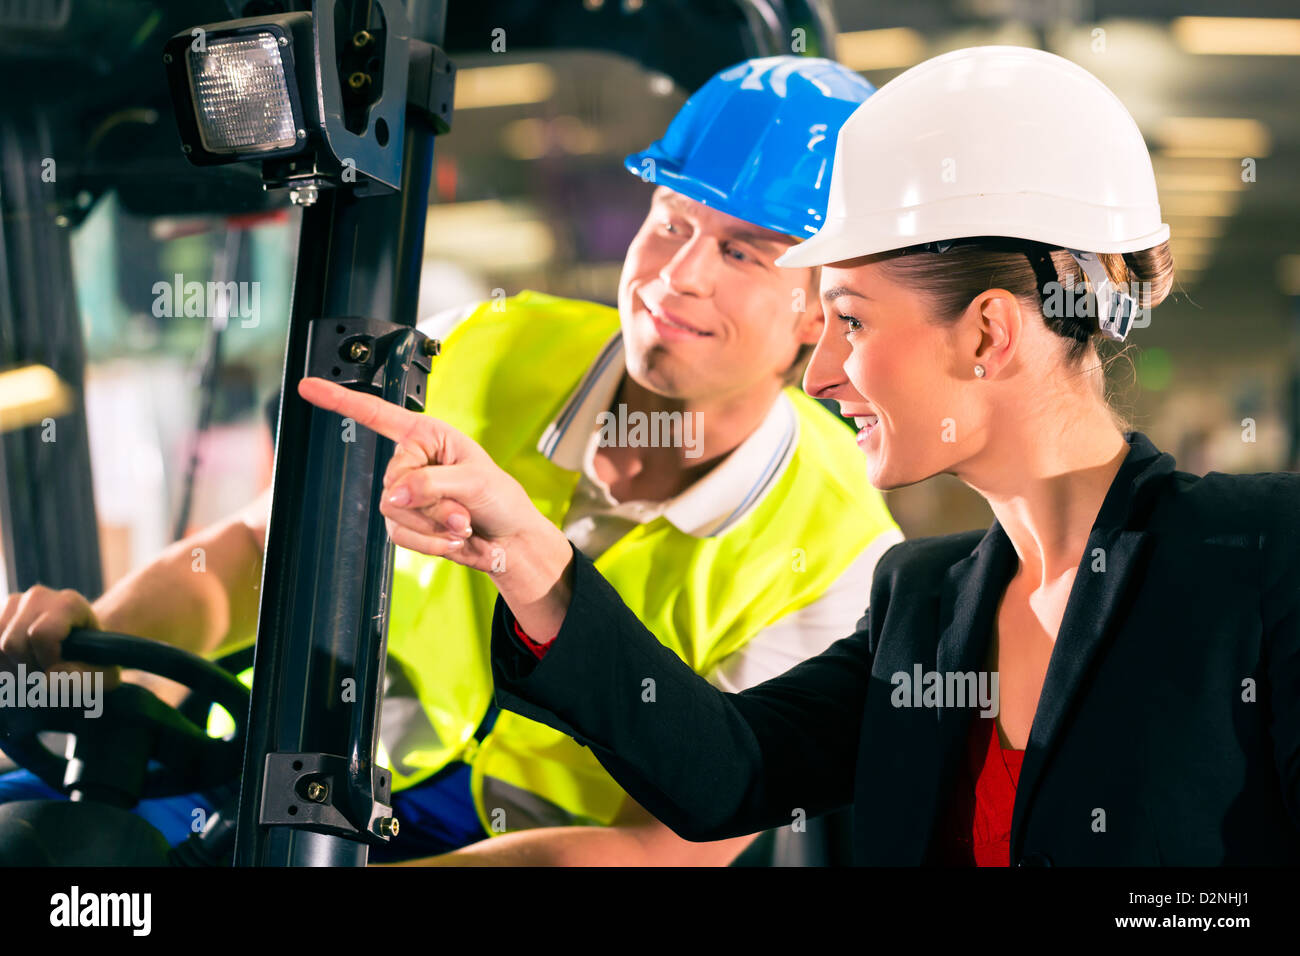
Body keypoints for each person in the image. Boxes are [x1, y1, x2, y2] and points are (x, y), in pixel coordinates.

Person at [300, 45, 1300, 866]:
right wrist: (529, 555)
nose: (818, 372)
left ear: (989, 333)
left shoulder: (1260, 558)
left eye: (850, 320)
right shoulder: (922, 597)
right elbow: (727, 771)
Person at [0, 56, 905, 865]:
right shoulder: (480, 346)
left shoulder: (836, 556)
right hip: (302, 773)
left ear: (821, 312)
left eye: (743, 252)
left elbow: (657, 849)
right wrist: (98, 653)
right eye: (670, 223)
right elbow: (255, 551)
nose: (678, 276)